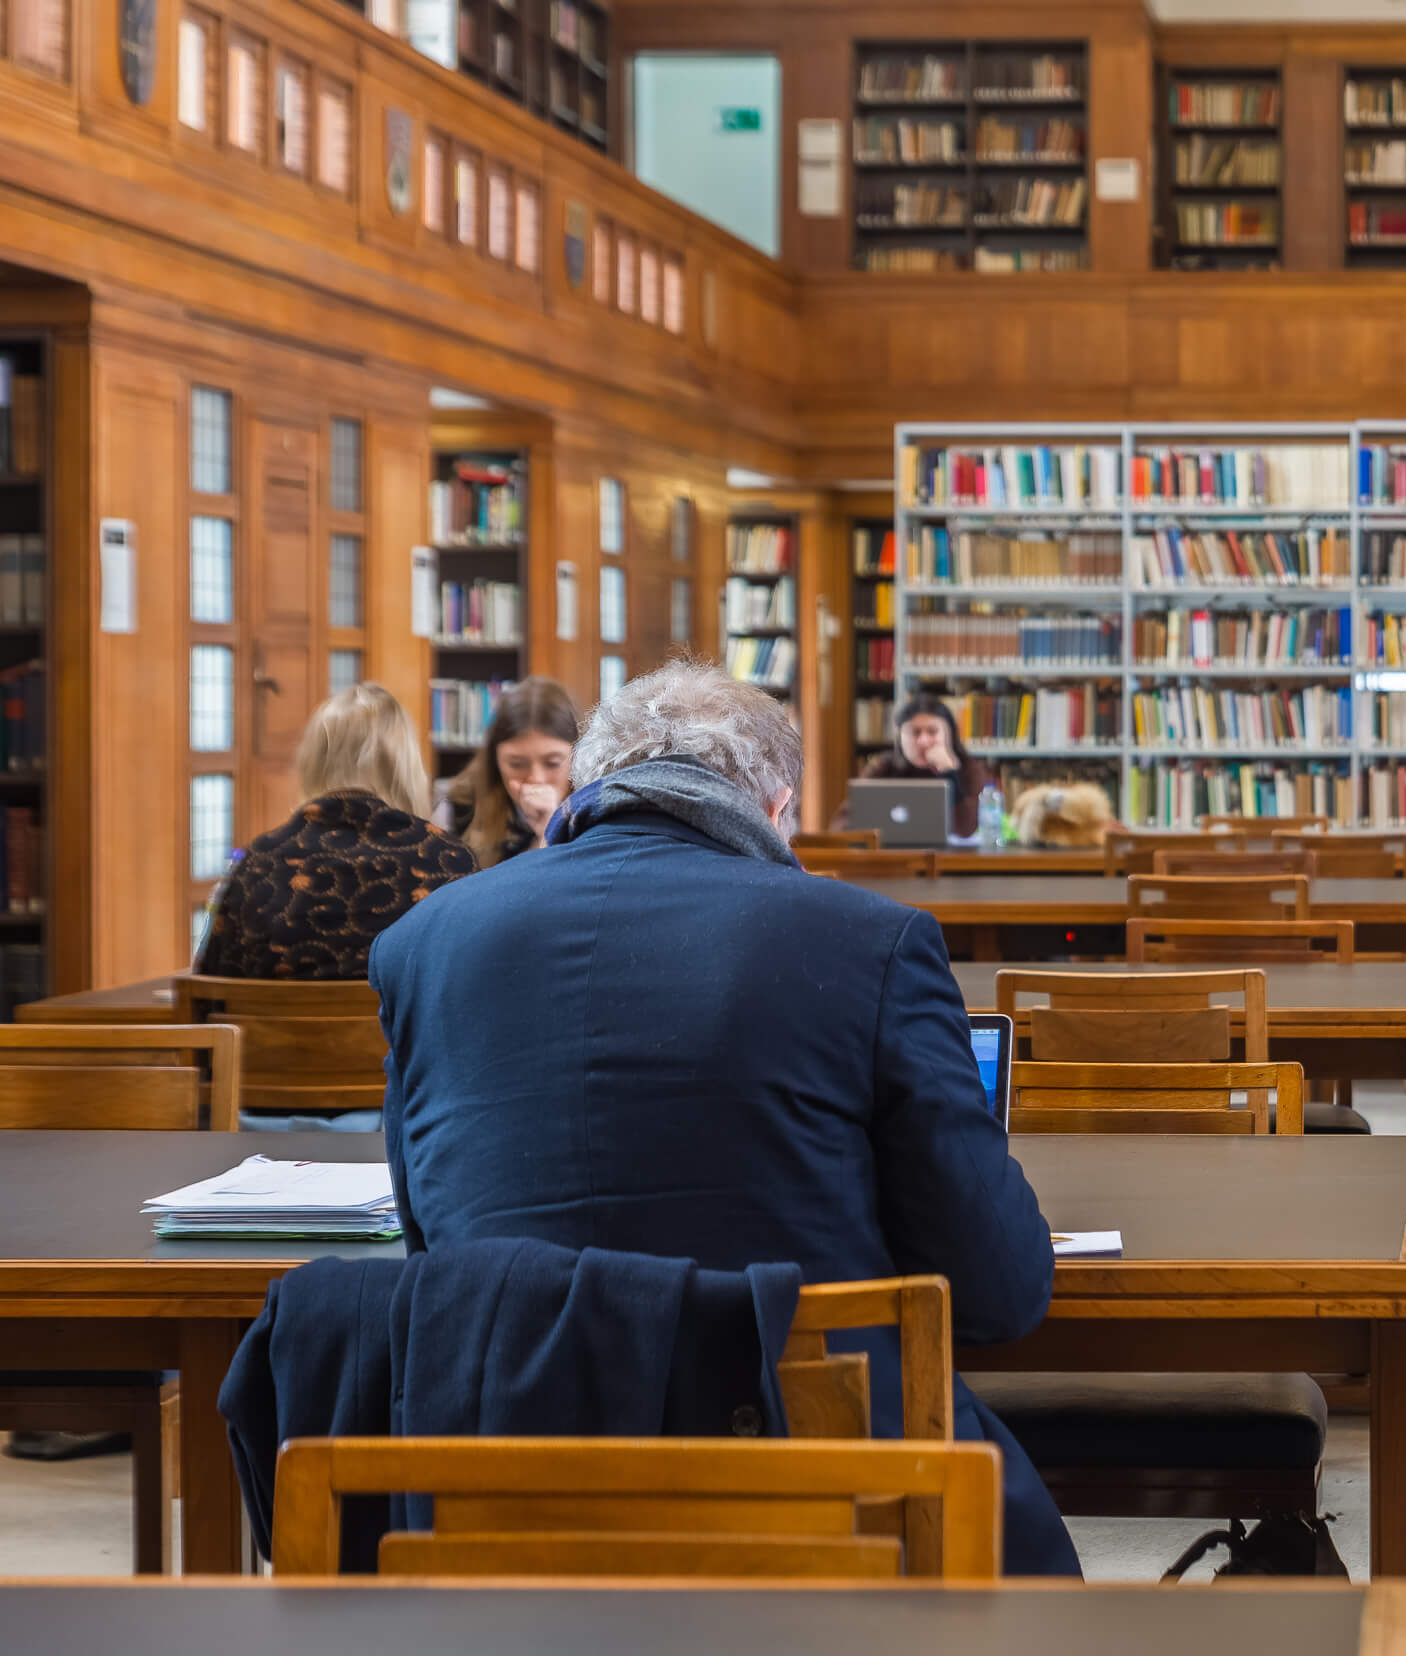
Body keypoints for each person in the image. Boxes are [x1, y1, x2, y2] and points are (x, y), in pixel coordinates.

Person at [369, 661, 1076, 1576]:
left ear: (586, 785)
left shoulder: (423, 944)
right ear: (777, 805)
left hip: (501, 1473)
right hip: (814, 1482)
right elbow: (1001, 1290)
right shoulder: (870, 940)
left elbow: (427, 1237)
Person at [196, 684, 476, 980]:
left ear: (312, 764)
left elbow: (212, 991)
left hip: (286, 1027)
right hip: (408, 1029)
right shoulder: (450, 861)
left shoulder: (258, 864)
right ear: (407, 769)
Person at [437, 677, 578, 867]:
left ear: (579, 756)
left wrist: (549, 831)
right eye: (517, 764)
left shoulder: (596, 813)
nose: (536, 779)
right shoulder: (457, 810)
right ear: (495, 760)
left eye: (552, 763)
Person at [834, 695, 993, 840]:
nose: (923, 741)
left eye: (932, 731)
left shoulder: (968, 768)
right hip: (892, 860)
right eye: (915, 733)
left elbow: (967, 829)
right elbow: (840, 824)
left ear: (949, 734)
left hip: (949, 863)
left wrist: (950, 773)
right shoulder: (883, 766)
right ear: (901, 737)